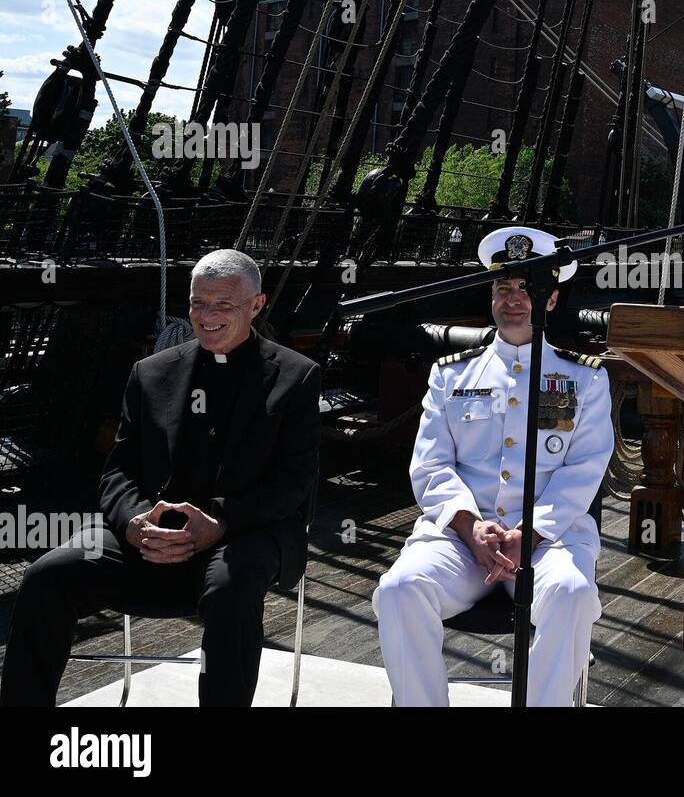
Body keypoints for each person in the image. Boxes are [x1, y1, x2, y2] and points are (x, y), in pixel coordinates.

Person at [1, 249, 321, 707]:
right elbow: (118, 471)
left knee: (232, 591)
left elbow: (293, 483)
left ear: (256, 305)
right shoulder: (151, 373)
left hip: (246, 530)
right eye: (197, 303)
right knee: (48, 574)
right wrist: (133, 522)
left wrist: (220, 523)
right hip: (152, 529)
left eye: (223, 306)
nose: (206, 316)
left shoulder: (296, 377)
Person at [373, 227, 613, 706]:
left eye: (527, 289)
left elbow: (584, 467)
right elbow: (431, 464)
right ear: (491, 296)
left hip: (549, 542)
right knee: (399, 589)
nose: (514, 299)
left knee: (571, 594)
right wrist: (468, 526)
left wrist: (532, 532)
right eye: (504, 288)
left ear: (550, 300)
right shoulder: (451, 375)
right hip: (462, 541)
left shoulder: (583, 377)